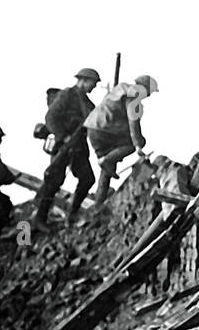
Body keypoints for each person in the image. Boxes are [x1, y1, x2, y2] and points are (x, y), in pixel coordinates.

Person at [33, 67, 100, 232]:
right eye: (93, 83)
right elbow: (51, 118)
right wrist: (64, 137)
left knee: (87, 179)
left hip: (79, 147)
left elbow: (96, 121)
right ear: (83, 80)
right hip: (64, 144)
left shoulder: (87, 103)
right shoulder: (67, 95)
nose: (94, 87)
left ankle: (72, 215)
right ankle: (39, 219)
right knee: (53, 181)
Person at [85, 74, 158, 204]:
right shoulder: (134, 98)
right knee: (138, 141)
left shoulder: (120, 89)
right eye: (149, 92)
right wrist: (138, 146)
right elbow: (133, 123)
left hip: (93, 129)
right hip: (105, 130)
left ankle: (99, 202)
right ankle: (107, 160)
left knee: (107, 169)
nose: (148, 96)